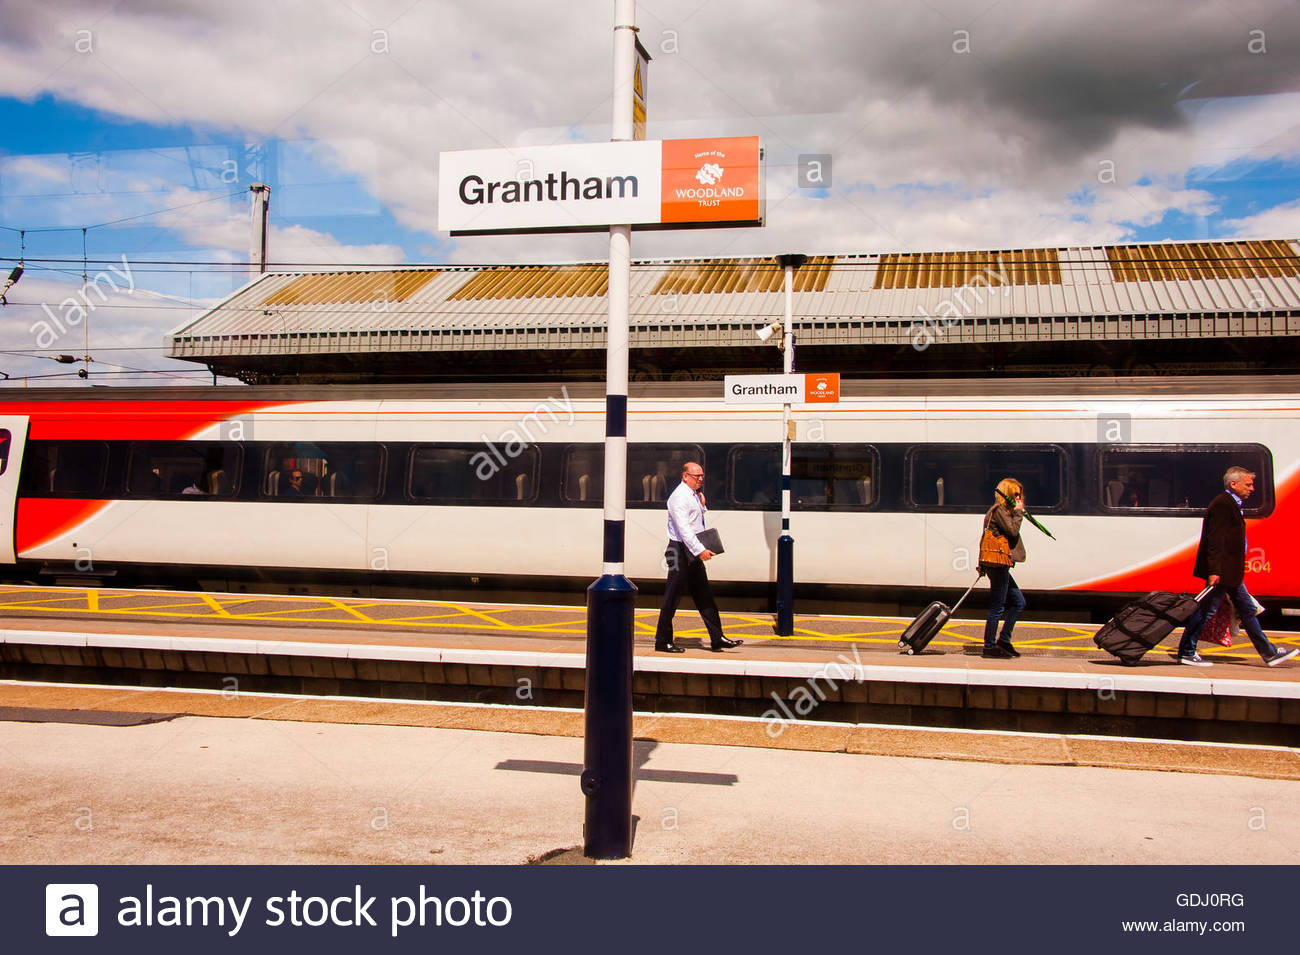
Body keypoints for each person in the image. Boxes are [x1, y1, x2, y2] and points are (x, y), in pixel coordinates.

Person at [1175, 466, 1298, 667]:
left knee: (1247, 610)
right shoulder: (1223, 504)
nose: (1252, 489)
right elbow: (1215, 540)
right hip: (1223, 572)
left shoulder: (1230, 503)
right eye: (1248, 484)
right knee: (1206, 610)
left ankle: (1270, 654)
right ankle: (1187, 651)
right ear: (1234, 484)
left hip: (1230, 571)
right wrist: (1214, 570)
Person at [654, 461, 741, 653]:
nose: (700, 479)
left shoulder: (693, 495)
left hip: (690, 549)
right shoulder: (679, 497)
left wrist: (702, 504)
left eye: (701, 475)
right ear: (685, 476)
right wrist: (700, 550)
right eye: (696, 476)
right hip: (679, 550)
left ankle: (717, 638)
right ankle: (662, 641)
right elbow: (684, 530)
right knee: (672, 597)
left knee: (704, 596)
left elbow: (695, 520)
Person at [979, 477, 1027, 659]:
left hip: (1001, 564)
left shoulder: (1002, 511)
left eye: (1020, 495)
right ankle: (989, 647)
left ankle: (1004, 641)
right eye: (1015, 494)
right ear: (1006, 494)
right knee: (997, 607)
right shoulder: (999, 510)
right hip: (998, 564)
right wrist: (1019, 513)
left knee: (1019, 603)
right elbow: (1012, 531)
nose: (1019, 498)